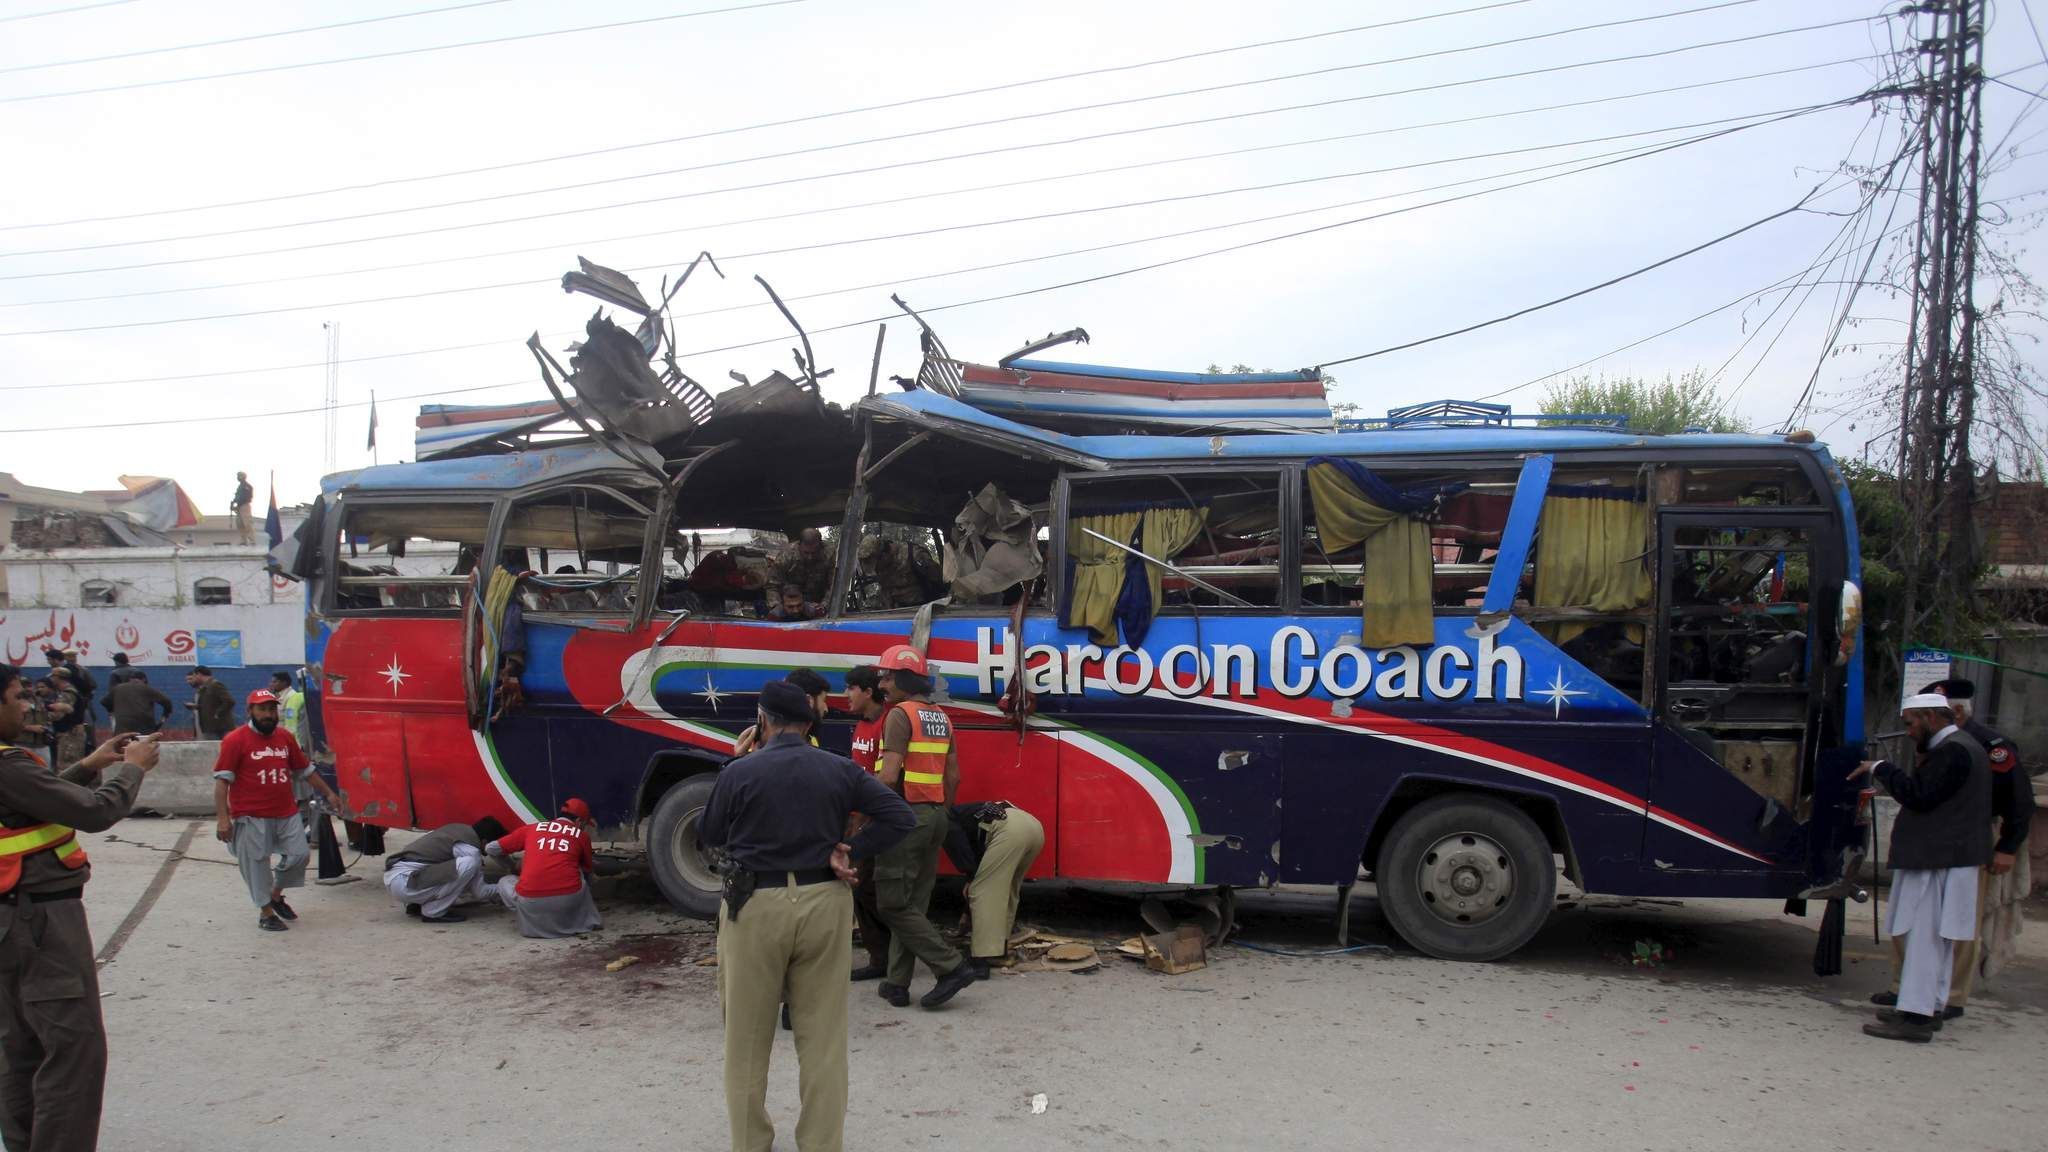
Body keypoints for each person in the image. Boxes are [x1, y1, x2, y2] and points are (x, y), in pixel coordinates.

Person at [699, 678, 915, 1152]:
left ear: (764, 719)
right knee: (822, 1041)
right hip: (825, 901)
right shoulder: (839, 769)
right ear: (808, 721)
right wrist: (851, 851)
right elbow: (901, 817)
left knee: (746, 1043)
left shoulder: (742, 772)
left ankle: (752, 1143)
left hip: (755, 906)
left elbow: (708, 831)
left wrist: (736, 764)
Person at [0, 662, 160, 1152]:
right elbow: (94, 812)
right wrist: (134, 768)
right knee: (74, 1052)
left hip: (11, 921)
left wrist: (90, 766)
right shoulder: (6, 763)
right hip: (39, 922)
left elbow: (30, 801)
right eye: (14, 697)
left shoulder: (11, 768)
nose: (26, 705)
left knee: (21, 1049)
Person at [1873, 678, 2036, 1014]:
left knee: (1955, 926)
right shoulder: (1939, 744)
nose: (1909, 730)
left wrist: (2008, 846)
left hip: (1967, 838)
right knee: (1916, 925)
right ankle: (1907, 986)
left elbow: (2018, 800)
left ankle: (1950, 996)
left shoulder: (1984, 746)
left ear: (1953, 712)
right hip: (1941, 837)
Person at [1850, 693, 1991, 1042]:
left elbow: (1920, 795)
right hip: (1945, 856)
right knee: (1933, 939)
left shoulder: (1954, 751)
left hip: (1937, 859)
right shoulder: (1962, 746)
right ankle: (1927, 1005)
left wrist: (1881, 768)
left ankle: (1915, 1016)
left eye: (1911, 723)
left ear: (1932, 717)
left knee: (1925, 938)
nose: (1909, 731)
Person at [871, 643, 976, 1010]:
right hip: (934, 817)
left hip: (905, 817)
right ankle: (897, 984)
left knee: (891, 902)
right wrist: (941, 812)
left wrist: (860, 804)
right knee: (913, 901)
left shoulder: (899, 715)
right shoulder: (941, 717)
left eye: (886, 676)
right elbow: (955, 776)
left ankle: (950, 967)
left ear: (902, 679)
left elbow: (887, 777)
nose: (881, 683)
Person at [214, 689, 348, 932]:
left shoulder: (285, 738)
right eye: (262, 709)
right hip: (250, 815)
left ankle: (275, 895)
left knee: (300, 856)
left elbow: (305, 770)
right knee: (256, 865)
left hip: (285, 812)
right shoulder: (235, 740)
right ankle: (266, 913)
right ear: (250, 711)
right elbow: (222, 782)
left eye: (271, 709)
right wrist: (223, 820)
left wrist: (329, 793)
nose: (268, 714)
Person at [941, 799, 1047, 979]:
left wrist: (970, 876)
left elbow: (962, 853)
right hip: (1033, 826)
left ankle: (980, 961)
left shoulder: (945, 819)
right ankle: (999, 948)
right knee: (1008, 890)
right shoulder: (966, 814)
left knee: (983, 892)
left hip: (1009, 830)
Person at [486, 798, 602, 938]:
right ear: (578, 821)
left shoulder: (532, 828)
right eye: (584, 824)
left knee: (504, 881)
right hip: (568, 901)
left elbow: (491, 848)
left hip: (531, 904)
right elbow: (588, 870)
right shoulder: (581, 835)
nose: (584, 827)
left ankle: (536, 921)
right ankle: (586, 919)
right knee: (579, 872)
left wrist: (512, 867)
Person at [842, 664, 892, 980]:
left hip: (878, 824)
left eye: (851, 688)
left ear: (868, 692)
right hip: (860, 821)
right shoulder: (862, 726)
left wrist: (858, 827)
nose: (846, 694)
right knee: (863, 891)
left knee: (870, 891)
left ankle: (884, 959)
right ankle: (881, 956)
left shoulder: (889, 723)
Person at [384, 817, 506, 924]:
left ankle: (417, 903)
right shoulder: (470, 850)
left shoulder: (457, 830)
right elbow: (480, 892)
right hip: (406, 883)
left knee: (460, 873)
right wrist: (510, 886)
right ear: (485, 841)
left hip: (396, 878)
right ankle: (434, 911)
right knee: (469, 864)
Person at [732, 668, 831, 757]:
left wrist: (741, 761)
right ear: (809, 701)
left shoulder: (756, 748)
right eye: (823, 700)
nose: (826, 708)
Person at [770, 527, 834, 605]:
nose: (810, 557)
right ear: (799, 545)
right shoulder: (786, 556)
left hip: (819, 600)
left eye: (814, 553)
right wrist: (777, 607)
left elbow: (833, 586)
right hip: (790, 603)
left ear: (821, 546)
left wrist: (824, 606)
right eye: (806, 553)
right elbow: (772, 585)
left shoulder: (830, 555)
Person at [102, 671, 173, 736]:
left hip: (123, 724)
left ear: (130, 679)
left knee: (122, 745)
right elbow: (167, 701)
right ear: (144, 679)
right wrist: (164, 716)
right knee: (145, 745)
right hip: (144, 724)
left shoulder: (118, 688)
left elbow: (104, 701)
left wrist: (112, 711)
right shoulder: (146, 688)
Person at [186, 666, 235, 739]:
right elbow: (209, 705)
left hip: (220, 728)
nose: (194, 679)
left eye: (194, 676)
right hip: (209, 728)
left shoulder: (215, 685)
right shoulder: (204, 688)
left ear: (199, 674)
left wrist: (217, 714)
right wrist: (196, 706)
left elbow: (230, 701)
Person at [269, 671, 308, 750]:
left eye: (275, 682)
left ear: (284, 683)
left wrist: (287, 743)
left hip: (288, 740)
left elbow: (291, 724)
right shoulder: (278, 696)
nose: (271, 684)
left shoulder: (292, 697)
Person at [230, 471, 255, 546]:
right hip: (239, 506)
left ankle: (252, 540)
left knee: (247, 523)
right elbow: (237, 496)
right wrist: (234, 502)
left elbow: (246, 497)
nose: (238, 477)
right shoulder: (240, 487)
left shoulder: (247, 486)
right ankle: (243, 540)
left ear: (243, 477)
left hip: (244, 506)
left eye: (239, 476)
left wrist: (238, 502)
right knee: (239, 524)